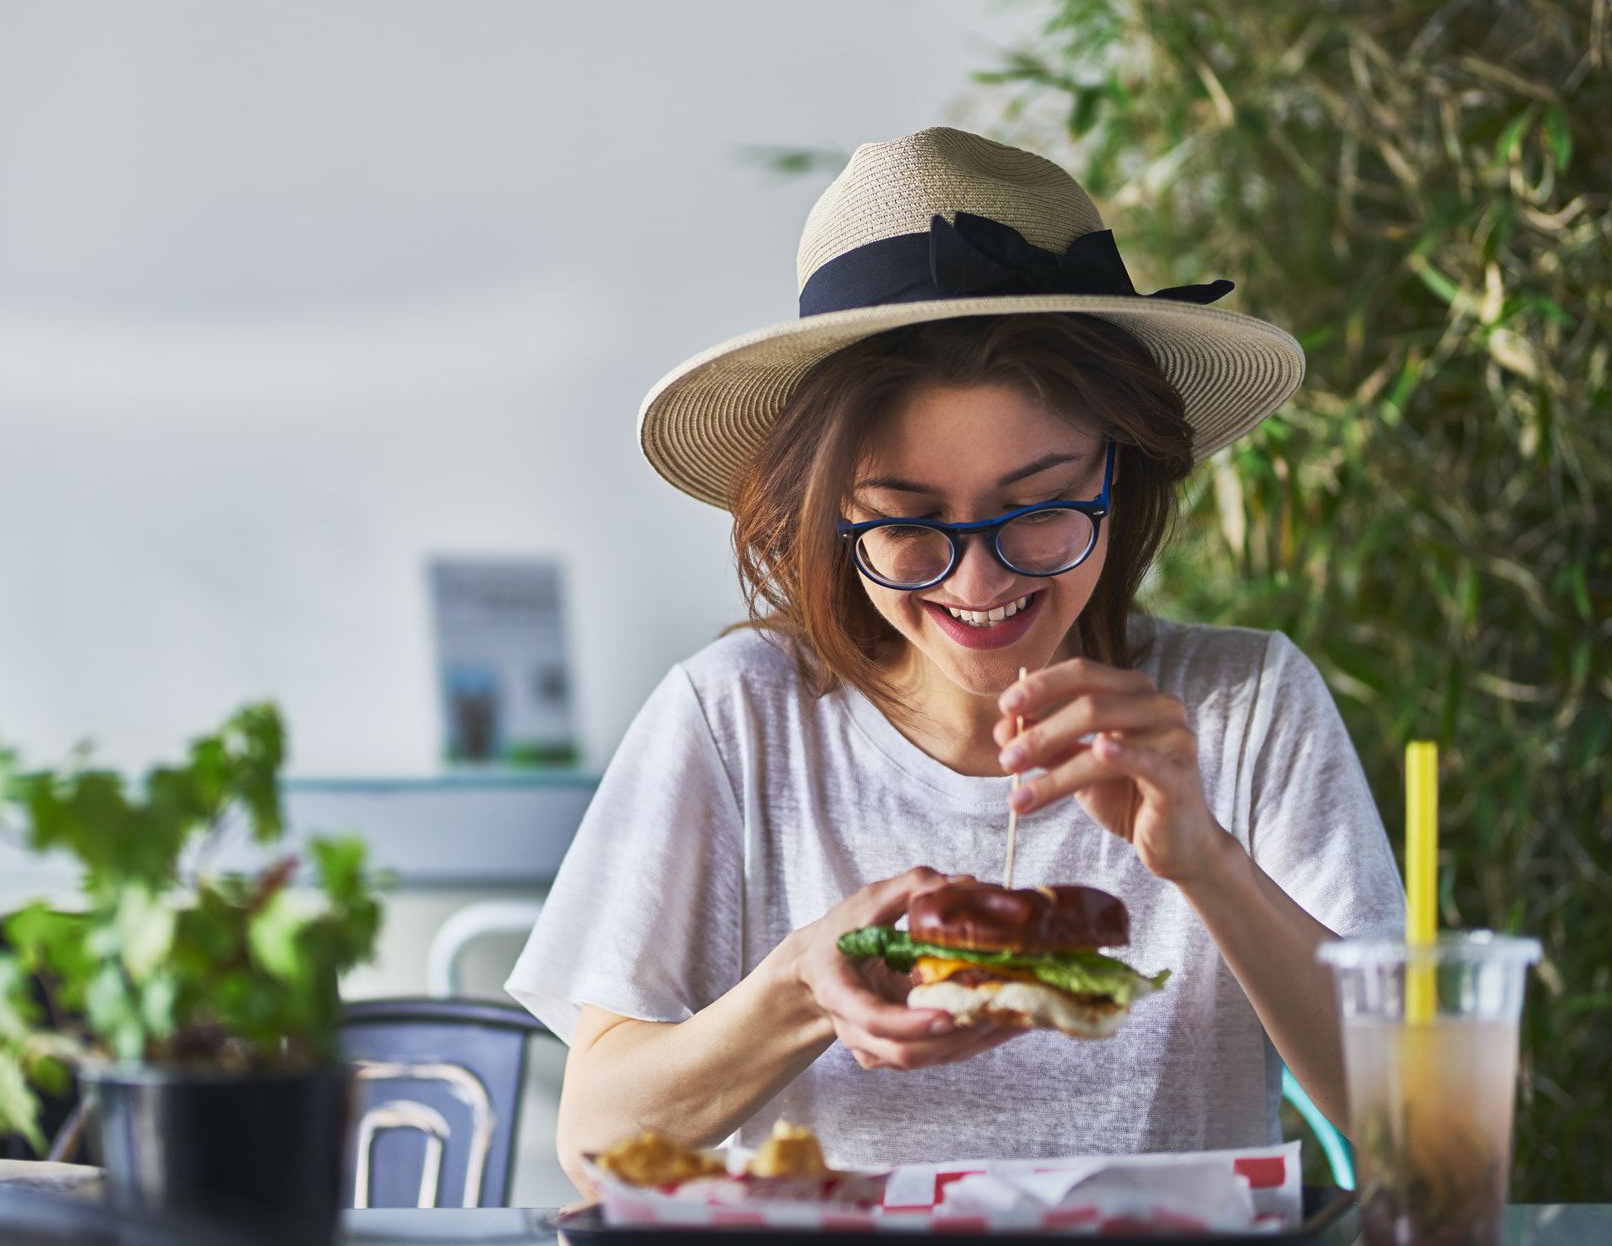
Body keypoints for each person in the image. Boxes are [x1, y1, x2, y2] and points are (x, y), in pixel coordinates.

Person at [504, 128, 1404, 1186]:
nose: (978, 584)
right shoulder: (732, 718)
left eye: (1036, 507)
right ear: (830, 511)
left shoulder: (1246, 705)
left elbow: (1404, 1121)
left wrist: (1202, 859)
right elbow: (594, 1141)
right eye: (906, 521)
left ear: (1122, 471)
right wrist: (801, 987)